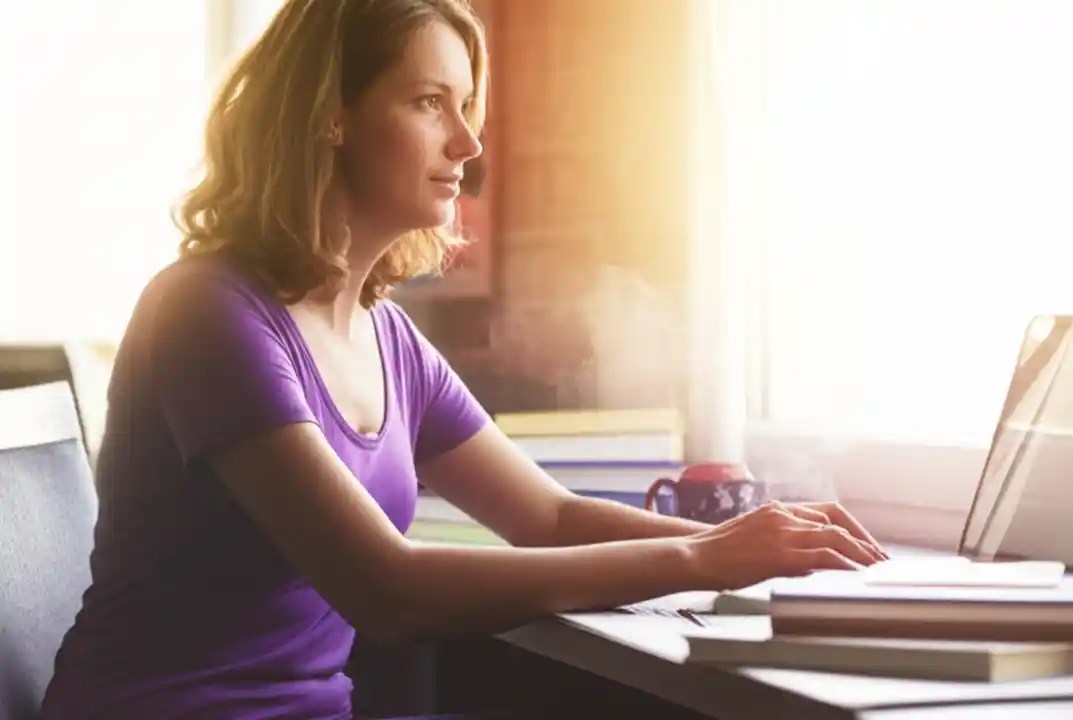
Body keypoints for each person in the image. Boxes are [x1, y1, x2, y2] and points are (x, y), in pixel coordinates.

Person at [41, 1, 887, 717]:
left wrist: (755, 549)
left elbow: (548, 520)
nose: (467, 145)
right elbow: (389, 591)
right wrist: (703, 559)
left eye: (467, 107)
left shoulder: (390, 338)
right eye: (429, 102)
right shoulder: (209, 311)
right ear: (329, 113)